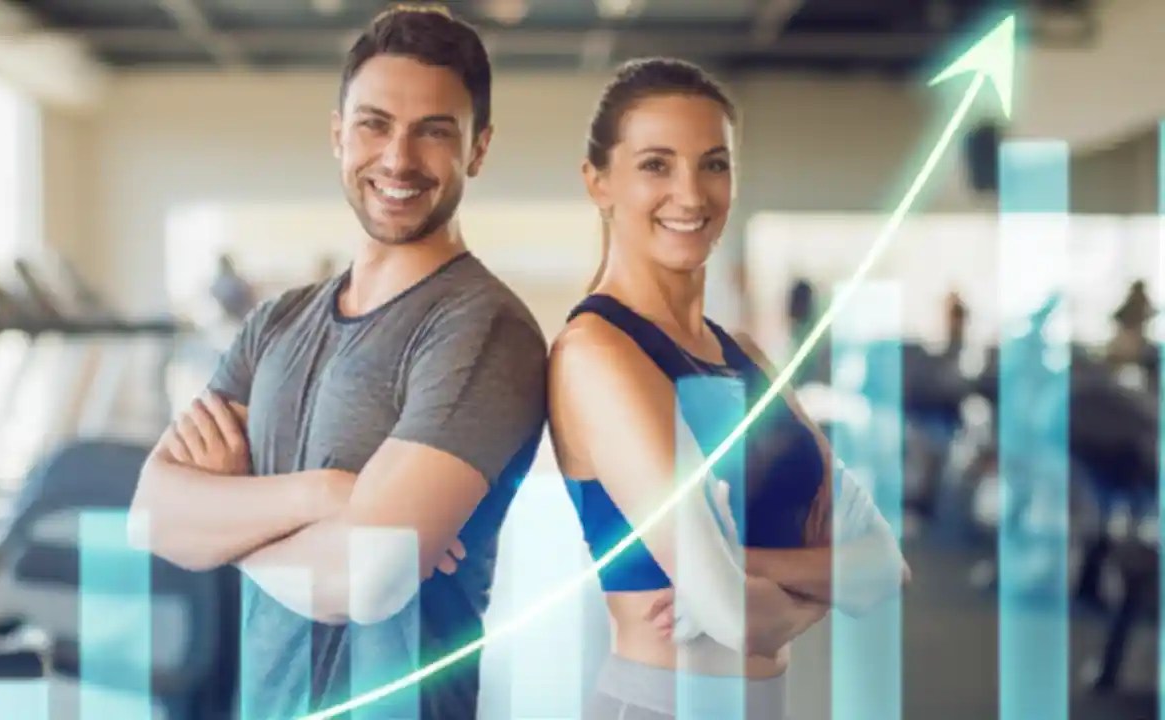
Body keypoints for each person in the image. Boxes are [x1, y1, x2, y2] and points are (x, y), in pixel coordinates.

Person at [129, 6, 548, 719]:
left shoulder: (483, 330)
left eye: (434, 131)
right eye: (374, 124)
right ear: (338, 134)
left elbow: (366, 578)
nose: (398, 159)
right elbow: (151, 515)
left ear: (478, 149)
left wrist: (219, 535)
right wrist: (324, 496)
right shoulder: (276, 321)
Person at [547, 58, 911, 719]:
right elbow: (735, 617)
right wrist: (828, 582)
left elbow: (887, 567)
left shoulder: (745, 355)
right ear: (598, 182)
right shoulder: (598, 353)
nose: (691, 195)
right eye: (656, 165)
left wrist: (743, 565)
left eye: (713, 164)